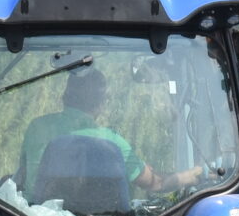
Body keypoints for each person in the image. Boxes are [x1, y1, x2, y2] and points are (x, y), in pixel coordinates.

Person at [18, 65, 146, 198]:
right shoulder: (111, 141)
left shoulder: (38, 127)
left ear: (66, 96)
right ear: (101, 103)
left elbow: (23, 174)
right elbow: (154, 183)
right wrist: (169, 180)